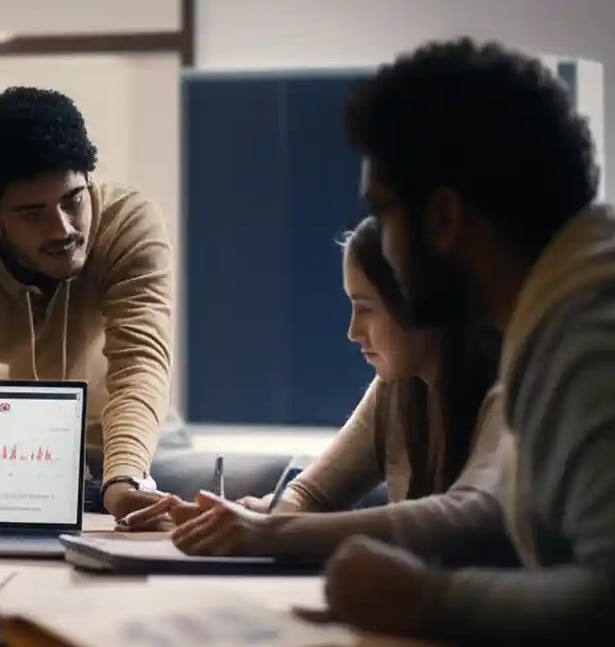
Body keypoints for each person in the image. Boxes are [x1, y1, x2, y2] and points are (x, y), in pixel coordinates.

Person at [320, 37, 615, 647]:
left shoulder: (597, 341)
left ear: (443, 217)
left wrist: (424, 599)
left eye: (384, 212)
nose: (383, 241)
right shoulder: (564, 322)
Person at [131, 217, 511, 564]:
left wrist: (268, 532)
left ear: (416, 299)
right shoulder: (396, 387)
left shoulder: (509, 387)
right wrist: (237, 520)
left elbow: (466, 520)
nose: (353, 332)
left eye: (366, 308)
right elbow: (311, 495)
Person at [0, 86, 175, 520]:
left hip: (132, 440)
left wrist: (124, 481)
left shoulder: (128, 225)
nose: (63, 229)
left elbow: (140, 363)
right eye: (33, 213)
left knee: (252, 479)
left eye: (73, 200)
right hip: (17, 452)